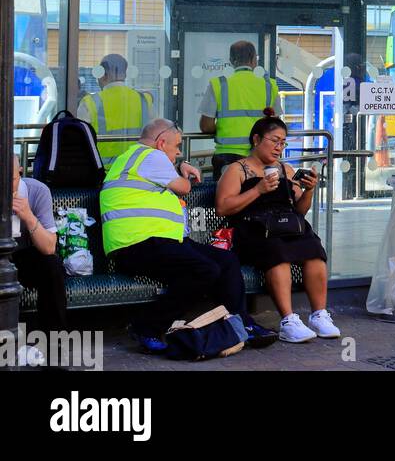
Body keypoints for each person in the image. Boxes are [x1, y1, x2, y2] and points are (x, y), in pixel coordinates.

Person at [102, 119, 276, 353]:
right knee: (205, 270)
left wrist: (178, 166)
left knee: (226, 260)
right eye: (176, 147)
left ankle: (240, 322)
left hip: (154, 241)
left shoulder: (133, 158)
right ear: (161, 143)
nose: (178, 152)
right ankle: (147, 326)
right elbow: (184, 187)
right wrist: (183, 170)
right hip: (138, 243)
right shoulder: (150, 156)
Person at [216, 114, 336, 343]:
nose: (279, 147)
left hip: (287, 224)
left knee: (314, 251)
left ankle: (319, 314)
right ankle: (288, 320)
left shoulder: (286, 169)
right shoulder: (237, 169)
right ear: (256, 139)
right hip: (254, 229)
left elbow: (300, 210)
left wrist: (309, 190)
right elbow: (223, 207)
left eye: (283, 143)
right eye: (274, 140)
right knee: (277, 254)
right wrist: (257, 190)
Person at [199, 41, 281, 177]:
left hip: (227, 156)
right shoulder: (269, 85)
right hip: (260, 154)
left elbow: (206, 126)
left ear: (231, 60)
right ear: (254, 59)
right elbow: (276, 125)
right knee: (259, 195)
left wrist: (223, 128)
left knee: (226, 196)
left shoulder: (219, 84)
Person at [11, 155, 66, 335]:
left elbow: (49, 247)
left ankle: (53, 346)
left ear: (20, 172)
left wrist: (27, 215)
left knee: (52, 266)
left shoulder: (36, 190)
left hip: (22, 257)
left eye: (10, 180)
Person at [76, 53, 153, 165]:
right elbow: (155, 133)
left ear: (103, 74)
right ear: (125, 75)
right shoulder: (144, 100)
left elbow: (80, 140)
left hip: (104, 171)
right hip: (138, 168)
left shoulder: (90, 102)